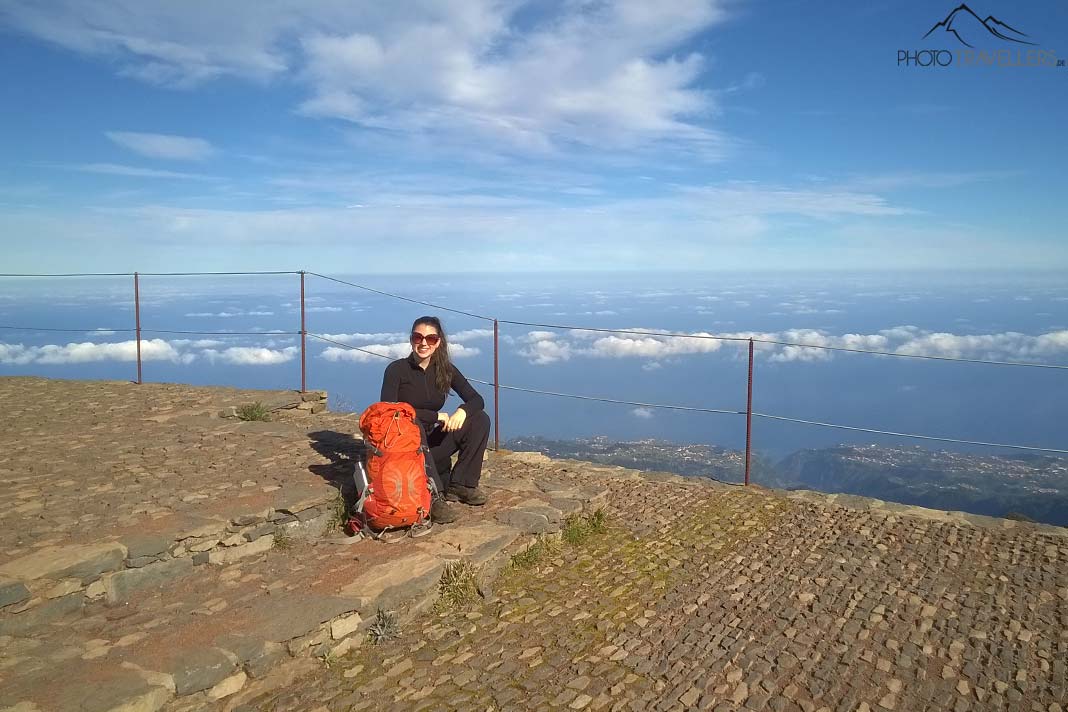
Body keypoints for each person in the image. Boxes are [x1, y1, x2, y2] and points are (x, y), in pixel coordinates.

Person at [380, 316, 492, 523]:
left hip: (432, 443)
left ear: (438, 342)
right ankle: (432, 497)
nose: (423, 343)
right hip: (406, 447)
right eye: (418, 337)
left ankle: (461, 485)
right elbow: (389, 411)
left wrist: (462, 411)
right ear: (411, 339)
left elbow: (477, 399)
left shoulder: (445, 369)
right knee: (413, 425)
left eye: (430, 338)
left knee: (480, 419)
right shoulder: (396, 370)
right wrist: (434, 416)